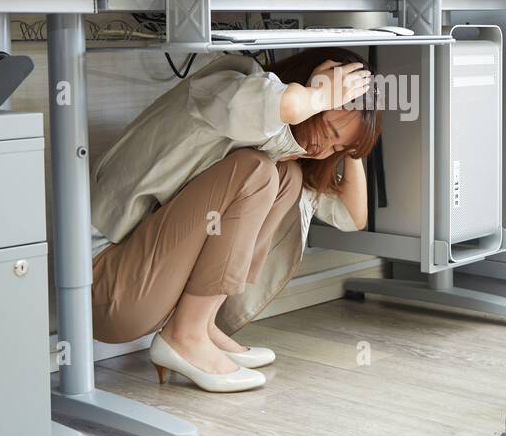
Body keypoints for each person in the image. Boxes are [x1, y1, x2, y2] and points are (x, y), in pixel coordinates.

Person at [89, 47, 380, 392]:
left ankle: (199, 324)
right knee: (255, 172)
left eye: (335, 148)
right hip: (102, 285)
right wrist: (320, 95)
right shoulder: (227, 88)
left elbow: (353, 217)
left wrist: (352, 145)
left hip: (140, 284)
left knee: (286, 176)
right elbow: (279, 106)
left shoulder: (283, 149)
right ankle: (185, 335)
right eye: (329, 133)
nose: (322, 151)